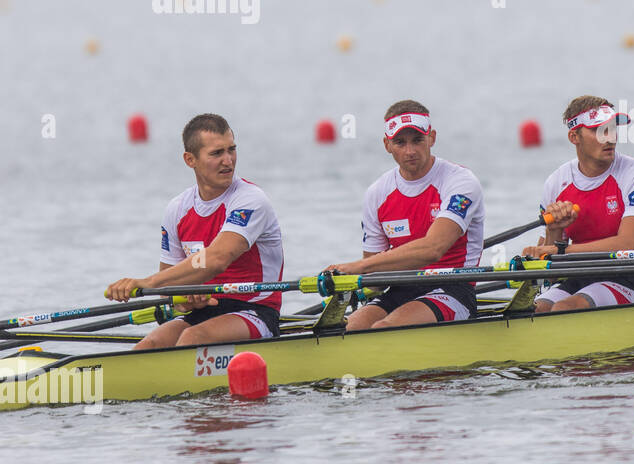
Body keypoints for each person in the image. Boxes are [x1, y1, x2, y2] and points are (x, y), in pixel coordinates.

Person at [106, 114, 285, 349]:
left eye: (231, 150)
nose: (228, 161)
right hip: (204, 314)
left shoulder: (250, 199)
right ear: (190, 159)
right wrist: (187, 302)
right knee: (149, 345)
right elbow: (168, 294)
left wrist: (147, 282)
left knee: (191, 339)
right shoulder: (177, 209)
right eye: (216, 153)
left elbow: (217, 259)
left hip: (254, 311)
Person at [324, 100, 485, 330]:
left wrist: (356, 268)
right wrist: (346, 285)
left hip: (452, 289)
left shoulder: (460, 182)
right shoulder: (377, 193)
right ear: (387, 145)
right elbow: (376, 279)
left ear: (432, 138)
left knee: (383, 328)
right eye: (400, 142)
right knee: (345, 329)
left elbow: (433, 249)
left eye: (417, 140)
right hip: (400, 289)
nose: (410, 151)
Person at [522, 97, 634, 312]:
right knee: (536, 309)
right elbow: (551, 268)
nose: (610, 138)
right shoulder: (556, 182)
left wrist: (561, 250)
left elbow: (630, 244)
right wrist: (555, 230)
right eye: (599, 130)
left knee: (564, 308)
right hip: (581, 276)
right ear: (574, 136)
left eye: (612, 129)